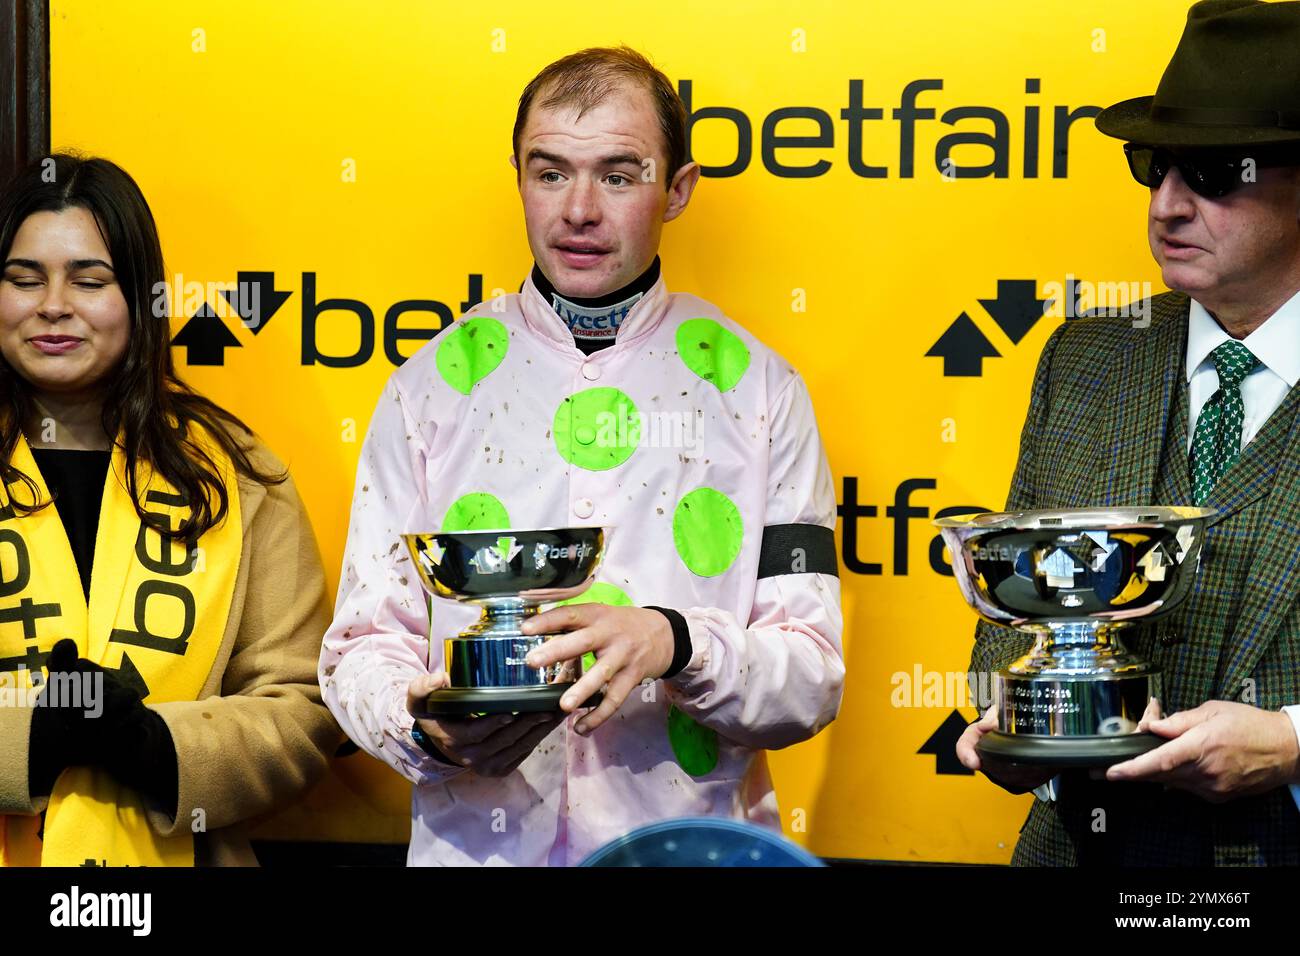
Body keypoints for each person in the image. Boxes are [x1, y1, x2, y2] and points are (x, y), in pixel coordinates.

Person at [320, 46, 845, 866]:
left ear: (678, 190)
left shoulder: (761, 392)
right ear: (519, 179)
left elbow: (811, 674)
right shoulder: (428, 389)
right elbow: (361, 646)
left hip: (686, 855)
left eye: (619, 176)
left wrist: (677, 643)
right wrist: (420, 728)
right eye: (551, 173)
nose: (579, 210)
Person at [957, 0, 1300, 865]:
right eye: (1154, 167)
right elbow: (1014, 610)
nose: (1166, 206)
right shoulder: (1086, 356)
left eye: (1213, 174)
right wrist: (1018, 727)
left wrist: (1297, 742)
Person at [0, 153, 340, 866]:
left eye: (89, 280)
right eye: (24, 279)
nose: (53, 304)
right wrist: (29, 740)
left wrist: (153, 746)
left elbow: (302, 708)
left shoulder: (236, 475)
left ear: (141, 298)